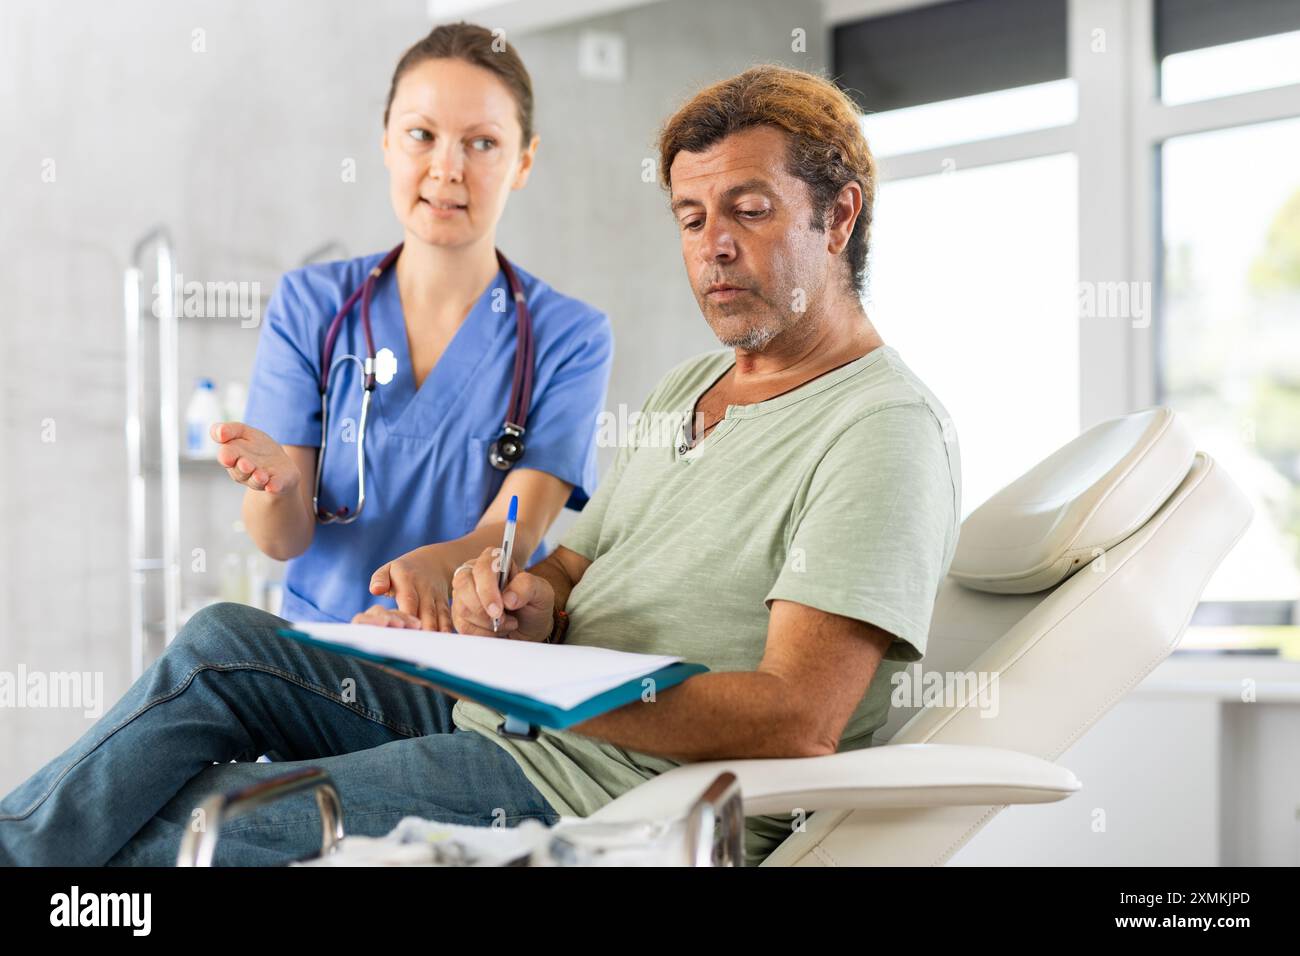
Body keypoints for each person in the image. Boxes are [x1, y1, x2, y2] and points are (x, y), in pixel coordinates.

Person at [0, 65, 958, 868]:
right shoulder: (691, 389)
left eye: (749, 211)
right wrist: (522, 602)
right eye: (691, 214)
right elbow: (578, 567)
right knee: (217, 645)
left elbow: (796, 718)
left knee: (205, 818)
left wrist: (572, 688)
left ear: (838, 218)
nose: (711, 246)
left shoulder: (882, 428)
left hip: (593, 779)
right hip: (509, 701)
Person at [214, 21, 612, 629]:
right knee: (214, 634)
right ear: (386, 144)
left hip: (453, 667)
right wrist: (280, 488)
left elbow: (514, 535)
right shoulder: (310, 304)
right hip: (317, 655)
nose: (447, 168)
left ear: (523, 160)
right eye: (421, 135)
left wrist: (429, 577)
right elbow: (280, 541)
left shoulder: (571, 338)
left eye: (481, 143)